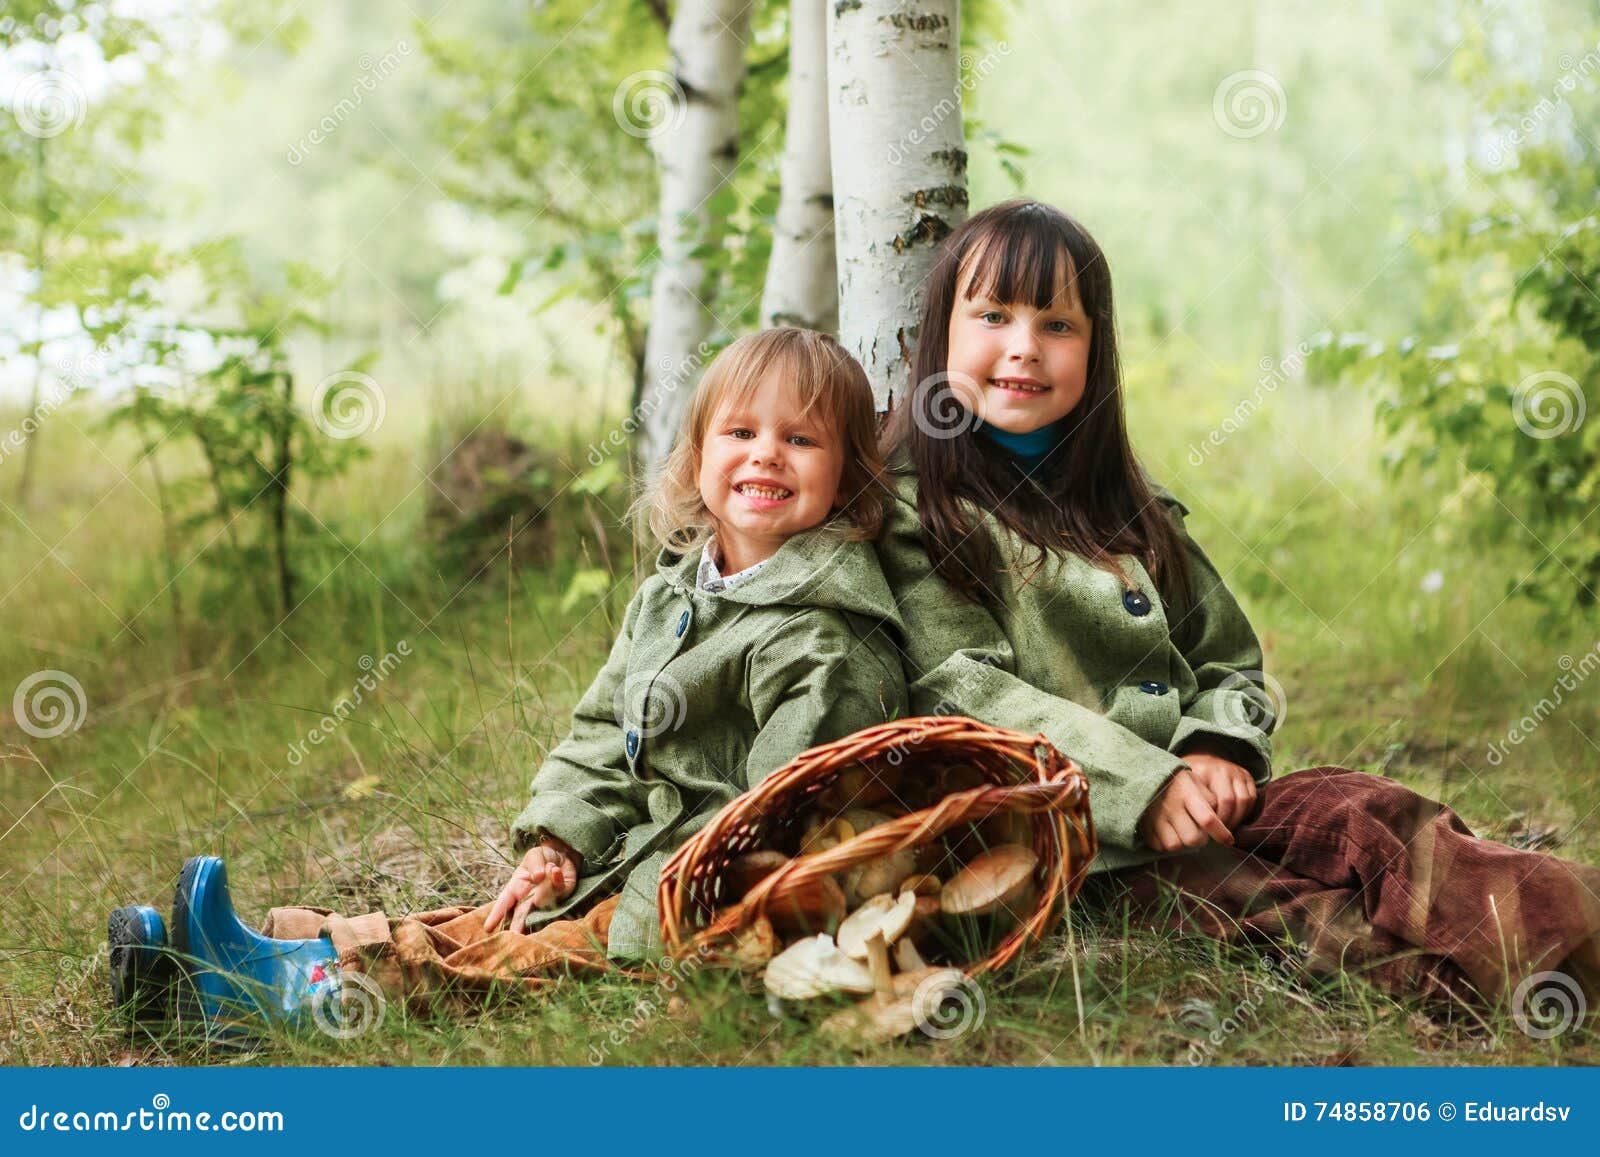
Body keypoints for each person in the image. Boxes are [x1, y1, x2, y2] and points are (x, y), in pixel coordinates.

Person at [873, 197, 1600, 1015]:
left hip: (1202, 799)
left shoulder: (1131, 508)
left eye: (1057, 325)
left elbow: (1228, 659)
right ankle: (1526, 992)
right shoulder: (916, 514)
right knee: (1288, 910)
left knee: (1364, 810)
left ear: (1096, 348)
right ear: (938, 336)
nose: (1023, 348)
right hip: (1078, 846)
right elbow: (964, 691)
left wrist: (1217, 743)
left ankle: (1573, 926)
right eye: (993, 315)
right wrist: (1141, 784)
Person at [108, 327, 909, 1031]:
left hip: (698, 897)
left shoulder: (820, 636)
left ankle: (264, 996)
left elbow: (783, 807)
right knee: (487, 917)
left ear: (845, 479)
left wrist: (659, 899)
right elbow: (602, 731)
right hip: (631, 858)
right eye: (741, 430)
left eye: (800, 440)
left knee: (509, 960)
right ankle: (242, 953)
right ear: (699, 458)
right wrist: (561, 838)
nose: (766, 452)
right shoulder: (674, 592)